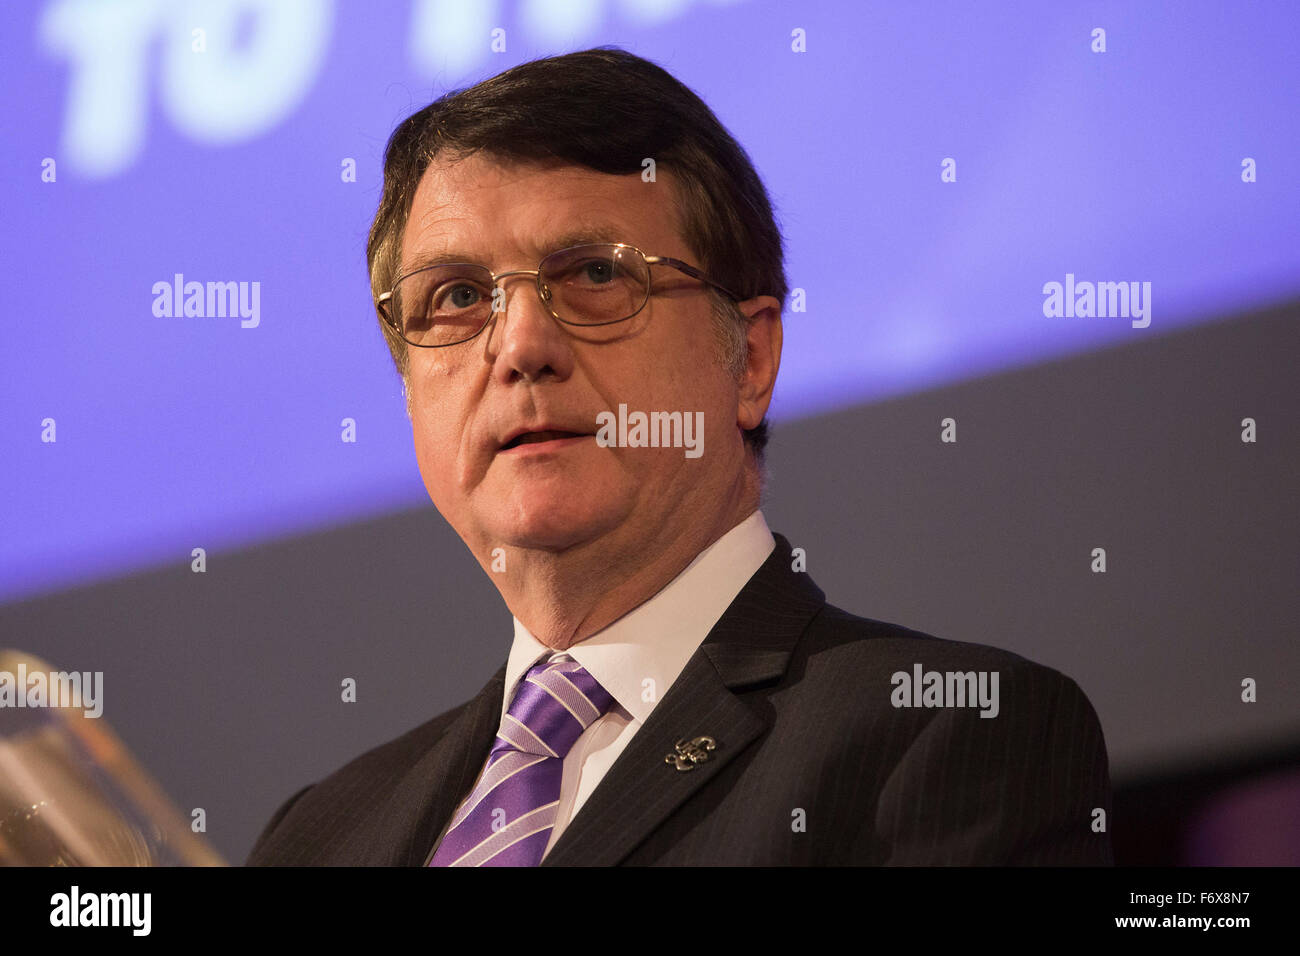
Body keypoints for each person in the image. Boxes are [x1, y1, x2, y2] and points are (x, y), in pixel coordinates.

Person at [247, 47, 1112, 866]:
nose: (520, 348)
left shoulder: (941, 738)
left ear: (752, 359)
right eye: (459, 297)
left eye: (593, 276)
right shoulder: (318, 837)